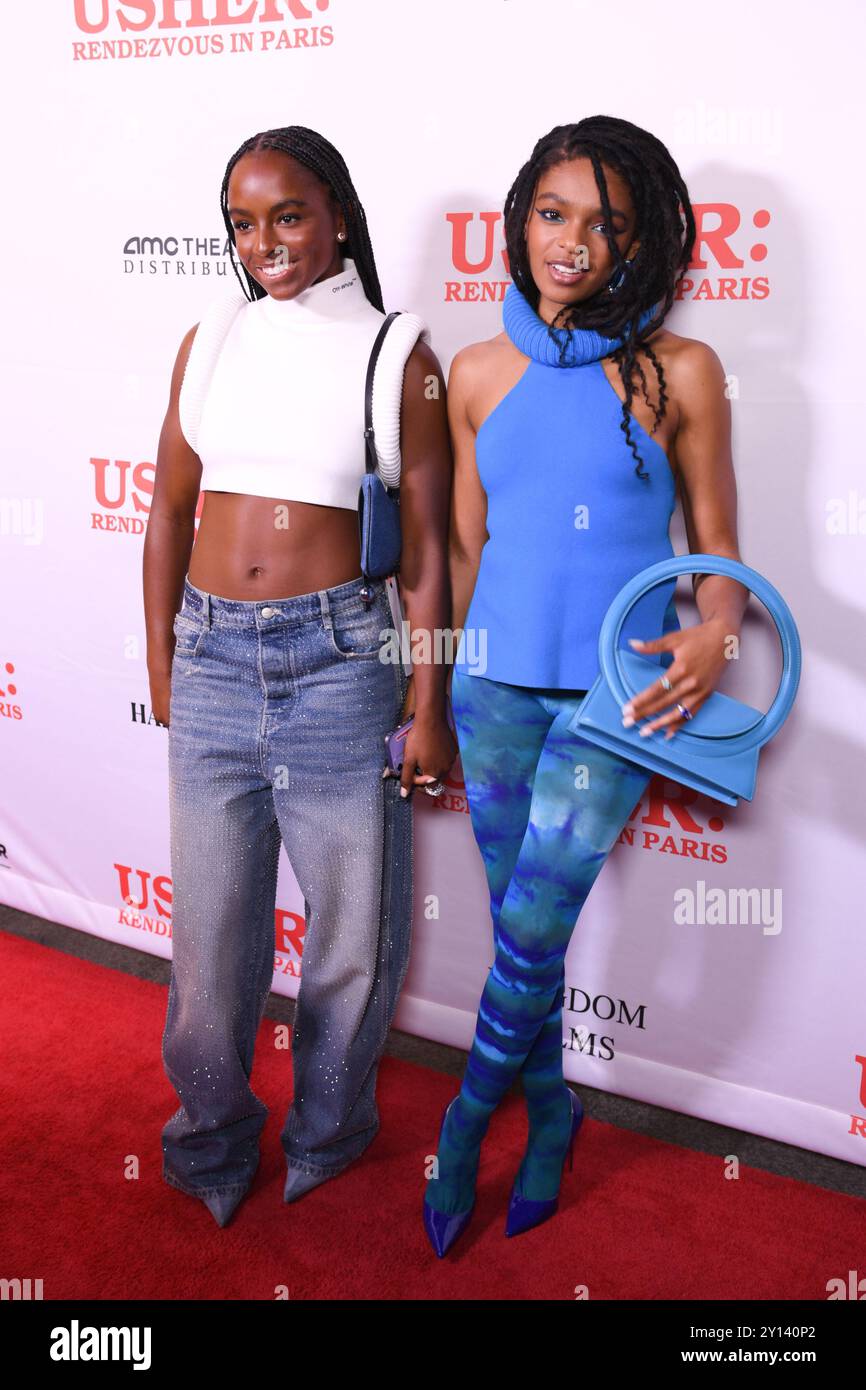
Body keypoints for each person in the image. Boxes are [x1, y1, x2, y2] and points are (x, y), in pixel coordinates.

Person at [423, 115, 749, 1256]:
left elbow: (718, 557)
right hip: (493, 696)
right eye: (552, 214)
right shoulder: (472, 371)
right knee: (533, 928)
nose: (570, 243)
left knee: (524, 929)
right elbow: (465, 559)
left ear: (640, 241)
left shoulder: (679, 371)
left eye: (603, 223)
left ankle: (467, 1123)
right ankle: (552, 1106)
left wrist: (713, 633)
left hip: (617, 702)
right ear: (519, 223)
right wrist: (430, 703)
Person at [143, 125, 457, 1228]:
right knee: (212, 939)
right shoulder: (214, 337)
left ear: (337, 216)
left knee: (350, 940)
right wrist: (161, 663)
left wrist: (429, 699)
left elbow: (424, 548)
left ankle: (329, 1130)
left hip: (340, 661)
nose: (265, 240)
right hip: (213, 652)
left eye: (287, 214)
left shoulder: (396, 351)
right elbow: (169, 510)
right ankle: (211, 1139)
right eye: (242, 220)